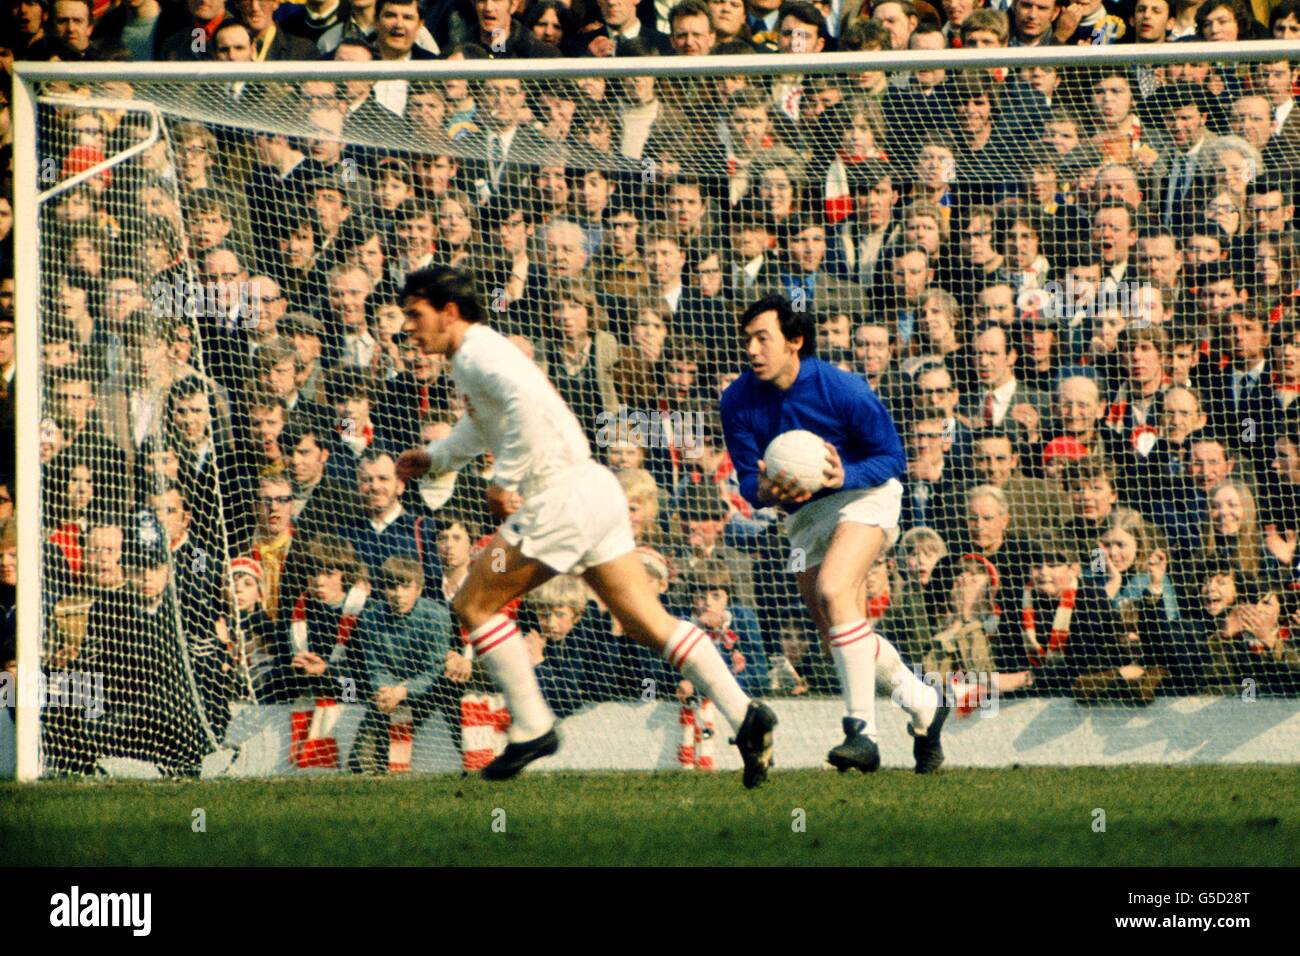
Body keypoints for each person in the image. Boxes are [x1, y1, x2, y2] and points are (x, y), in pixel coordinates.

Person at [395, 266, 777, 786]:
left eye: (416, 315)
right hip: (593, 493)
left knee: (473, 602)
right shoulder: (473, 356)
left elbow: (522, 406)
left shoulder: (481, 354)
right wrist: (437, 456)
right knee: (647, 624)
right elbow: (487, 423)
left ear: (450, 311)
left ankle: (531, 725)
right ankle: (746, 714)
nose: (410, 328)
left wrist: (502, 481)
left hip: (558, 500)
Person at [719, 294, 948, 774]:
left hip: (864, 495)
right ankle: (924, 702)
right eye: (748, 341)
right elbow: (746, 481)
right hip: (802, 517)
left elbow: (892, 459)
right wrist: (762, 488)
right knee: (838, 638)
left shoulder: (843, 388)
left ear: (795, 341)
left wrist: (845, 476)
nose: (753, 350)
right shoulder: (736, 400)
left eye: (764, 339)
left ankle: (861, 733)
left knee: (834, 588)